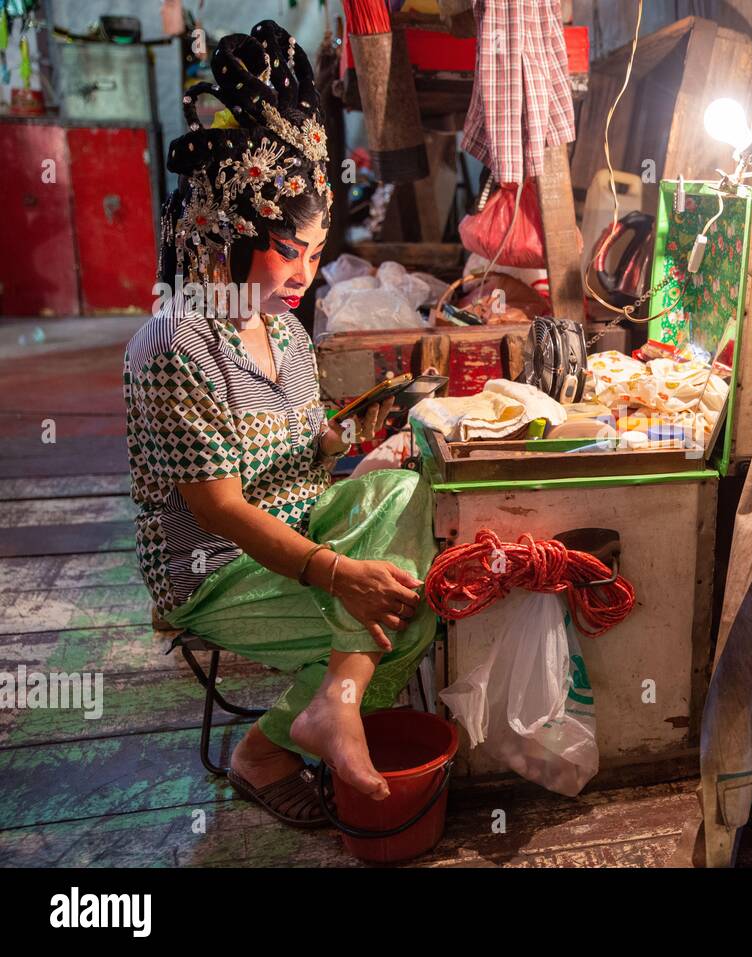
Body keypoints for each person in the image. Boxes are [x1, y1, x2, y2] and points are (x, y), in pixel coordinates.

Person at [124, 20, 435, 827]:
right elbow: (221, 508)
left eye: (315, 252)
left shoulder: (289, 329)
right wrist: (339, 572)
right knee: (404, 617)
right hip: (216, 567)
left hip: (298, 522)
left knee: (409, 497)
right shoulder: (174, 344)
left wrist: (353, 444)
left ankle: (329, 705)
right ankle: (273, 741)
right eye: (287, 251)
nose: (303, 274)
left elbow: (302, 450)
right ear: (229, 231)